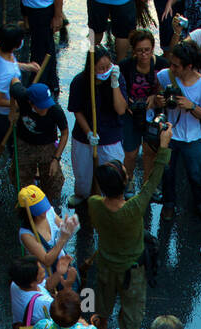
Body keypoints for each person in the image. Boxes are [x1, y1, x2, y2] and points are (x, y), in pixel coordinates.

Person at [89, 124, 173, 329]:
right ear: (125, 184)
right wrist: (164, 146)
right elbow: (154, 178)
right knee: (132, 310)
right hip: (131, 271)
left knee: (103, 305)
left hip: (106, 265)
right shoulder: (134, 208)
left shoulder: (95, 203)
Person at [154, 40, 201, 224]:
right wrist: (159, 101)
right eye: (171, 63)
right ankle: (169, 204)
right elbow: (156, 97)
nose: (171, 68)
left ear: (189, 66)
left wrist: (191, 106)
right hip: (169, 134)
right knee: (167, 172)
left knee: (196, 175)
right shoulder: (165, 76)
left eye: (176, 65)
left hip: (192, 138)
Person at [68, 46, 128, 208]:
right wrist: (88, 132)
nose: (105, 70)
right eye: (101, 68)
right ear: (91, 68)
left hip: (110, 135)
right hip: (84, 135)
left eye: (108, 66)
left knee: (112, 173)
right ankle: (82, 194)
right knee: (83, 171)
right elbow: (77, 110)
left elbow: (121, 109)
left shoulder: (117, 78)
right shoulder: (80, 81)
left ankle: (109, 200)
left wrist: (115, 84)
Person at [119, 29, 167, 188]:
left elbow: (167, 90)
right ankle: (128, 181)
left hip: (153, 114)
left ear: (153, 48)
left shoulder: (161, 65)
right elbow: (118, 89)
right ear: (133, 51)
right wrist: (126, 101)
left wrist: (157, 97)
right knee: (130, 153)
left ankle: (148, 185)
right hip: (131, 113)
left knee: (150, 152)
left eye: (147, 50)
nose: (144, 54)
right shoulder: (125, 66)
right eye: (139, 50)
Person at [11, 83, 69, 208]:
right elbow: (13, 85)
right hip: (24, 143)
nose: (45, 109)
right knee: (21, 178)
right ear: (31, 103)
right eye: (41, 107)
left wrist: (56, 159)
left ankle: (49, 206)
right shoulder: (22, 96)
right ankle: (27, 207)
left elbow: (64, 133)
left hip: (47, 145)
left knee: (54, 180)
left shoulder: (55, 110)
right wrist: (13, 110)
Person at [16, 184, 79, 288]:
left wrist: (70, 225)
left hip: (62, 263)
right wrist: (63, 238)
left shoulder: (48, 211)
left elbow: (62, 226)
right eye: (38, 210)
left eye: (43, 206)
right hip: (48, 277)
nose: (43, 213)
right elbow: (47, 261)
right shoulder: (26, 234)